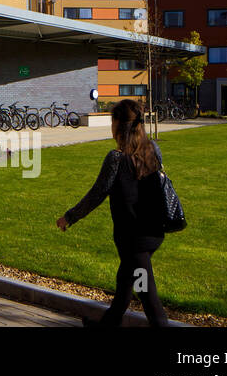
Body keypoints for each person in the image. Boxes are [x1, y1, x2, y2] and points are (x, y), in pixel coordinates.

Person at [57, 98, 170, 327]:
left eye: (112, 121)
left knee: (146, 294)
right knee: (125, 281)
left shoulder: (116, 159)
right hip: (154, 233)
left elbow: (96, 194)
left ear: (118, 124)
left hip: (134, 239)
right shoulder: (152, 150)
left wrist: (69, 217)